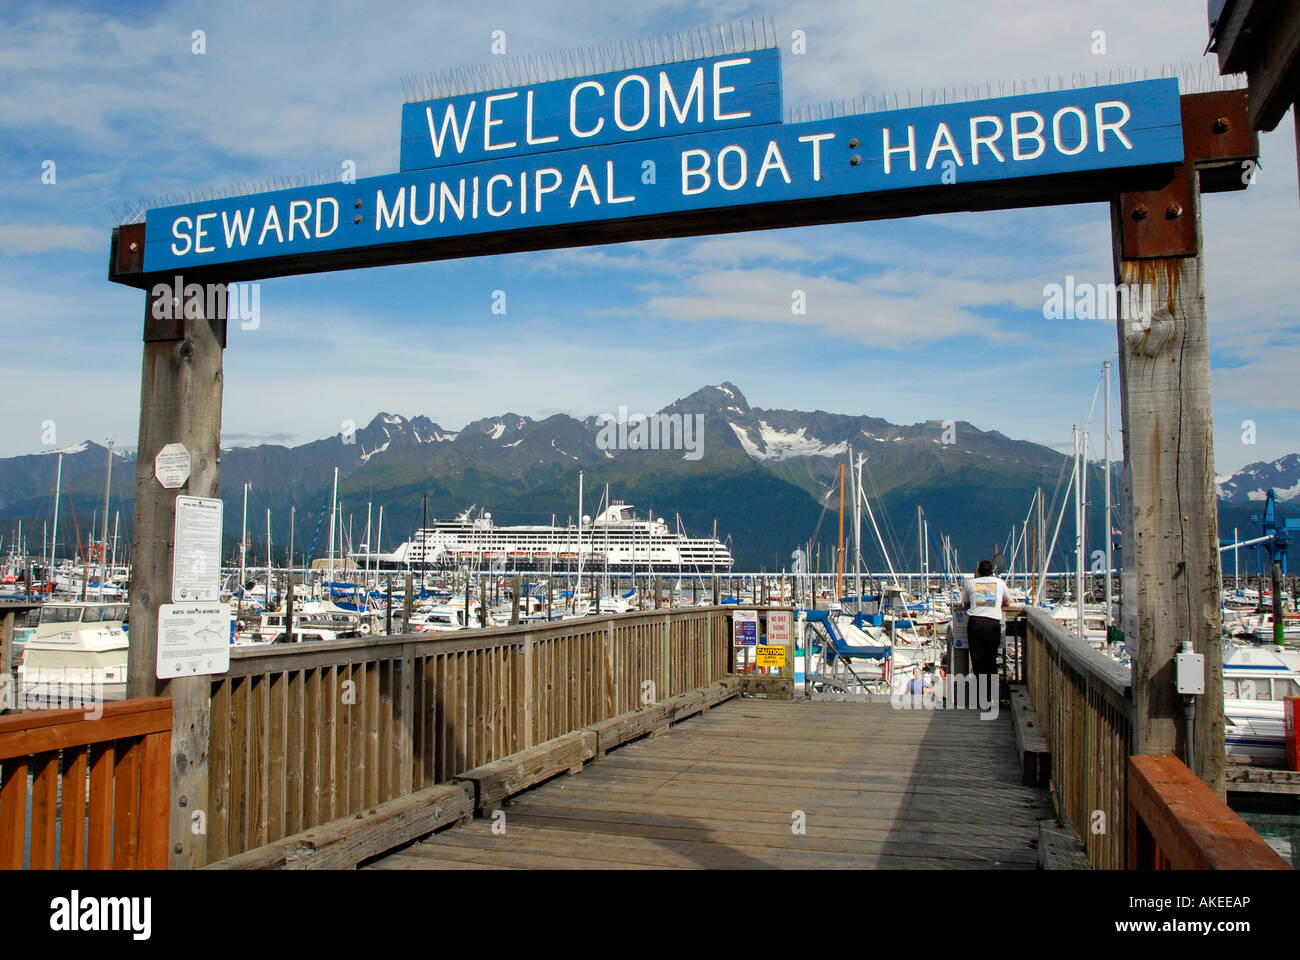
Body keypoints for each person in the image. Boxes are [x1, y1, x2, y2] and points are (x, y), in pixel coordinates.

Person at [958, 560, 1009, 685]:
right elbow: (1007, 602)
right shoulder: (1000, 583)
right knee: (991, 659)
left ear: (978, 571)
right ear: (992, 572)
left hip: (976, 622)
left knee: (977, 660)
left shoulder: (970, 583)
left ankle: (981, 695)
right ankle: (993, 695)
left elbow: (966, 603)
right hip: (993, 624)